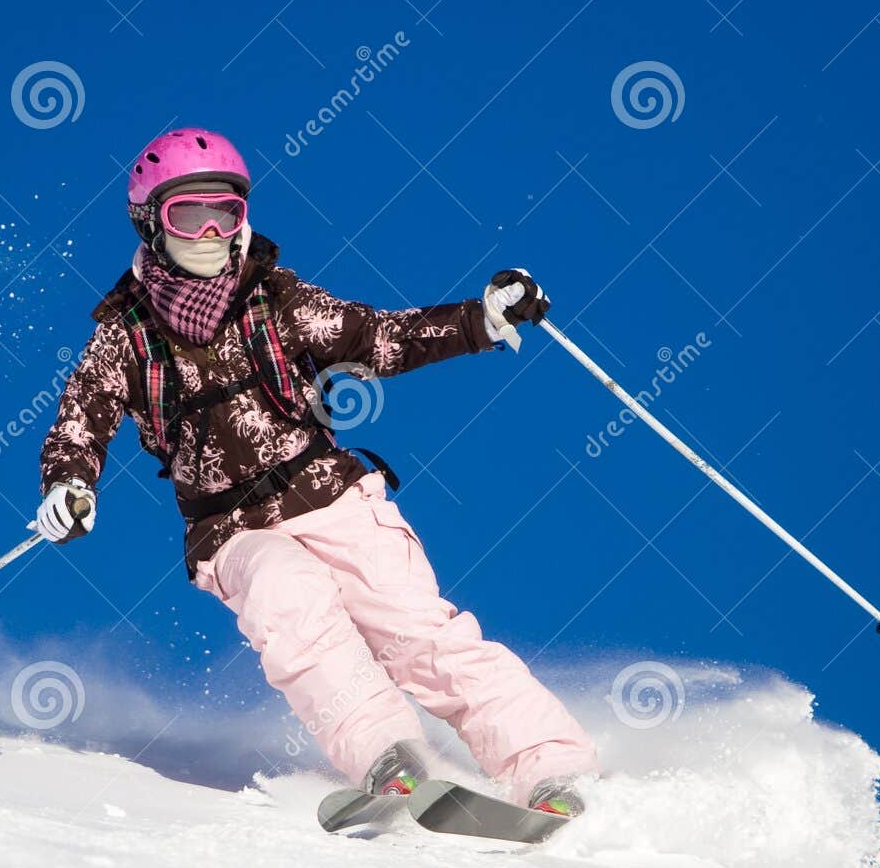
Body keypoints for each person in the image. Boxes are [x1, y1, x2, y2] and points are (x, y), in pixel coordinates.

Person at [35, 127, 597, 815]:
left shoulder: (275, 300)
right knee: (286, 598)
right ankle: (390, 756)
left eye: (227, 212)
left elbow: (379, 337)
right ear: (151, 222)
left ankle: (551, 767)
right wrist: (70, 483)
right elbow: (81, 417)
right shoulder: (125, 335)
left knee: (414, 627)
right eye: (190, 214)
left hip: (327, 489)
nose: (211, 231)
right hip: (231, 529)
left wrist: (479, 320)